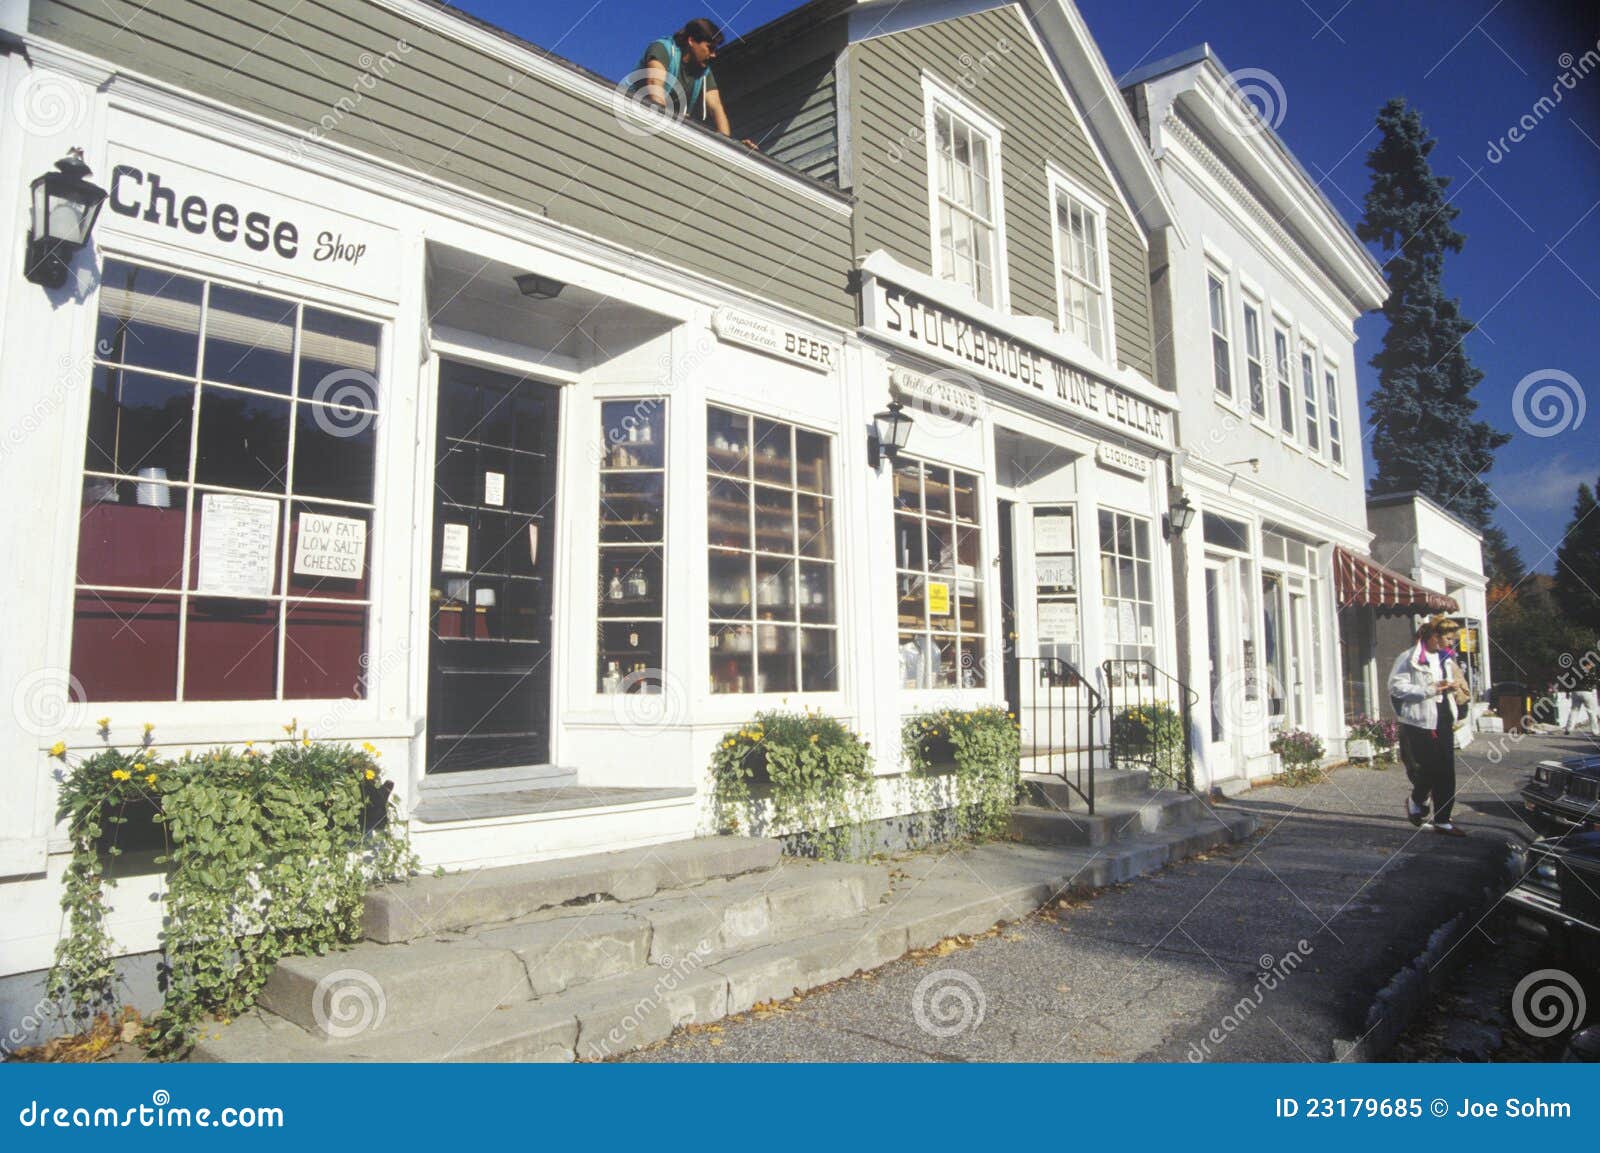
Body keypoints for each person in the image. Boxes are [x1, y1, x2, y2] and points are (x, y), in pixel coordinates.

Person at [1388, 620, 1466, 836]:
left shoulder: (1445, 658)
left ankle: (1442, 820)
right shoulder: (1408, 658)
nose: (1451, 643)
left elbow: (1446, 684)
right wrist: (1429, 689)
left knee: (1447, 770)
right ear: (1433, 635)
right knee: (1429, 769)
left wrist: (1451, 688)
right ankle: (1416, 799)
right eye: (1448, 638)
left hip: (1443, 717)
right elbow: (1396, 687)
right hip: (1420, 720)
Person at [639, 19, 743, 140]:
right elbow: (654, 86)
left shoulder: (703, 72)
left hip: (665, 129)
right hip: (633, 114)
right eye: (710, 48)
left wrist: (728, 143)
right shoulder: (664, 49)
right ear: (691, 41)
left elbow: (715, 106)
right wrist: (670, 120)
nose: (714, 55)